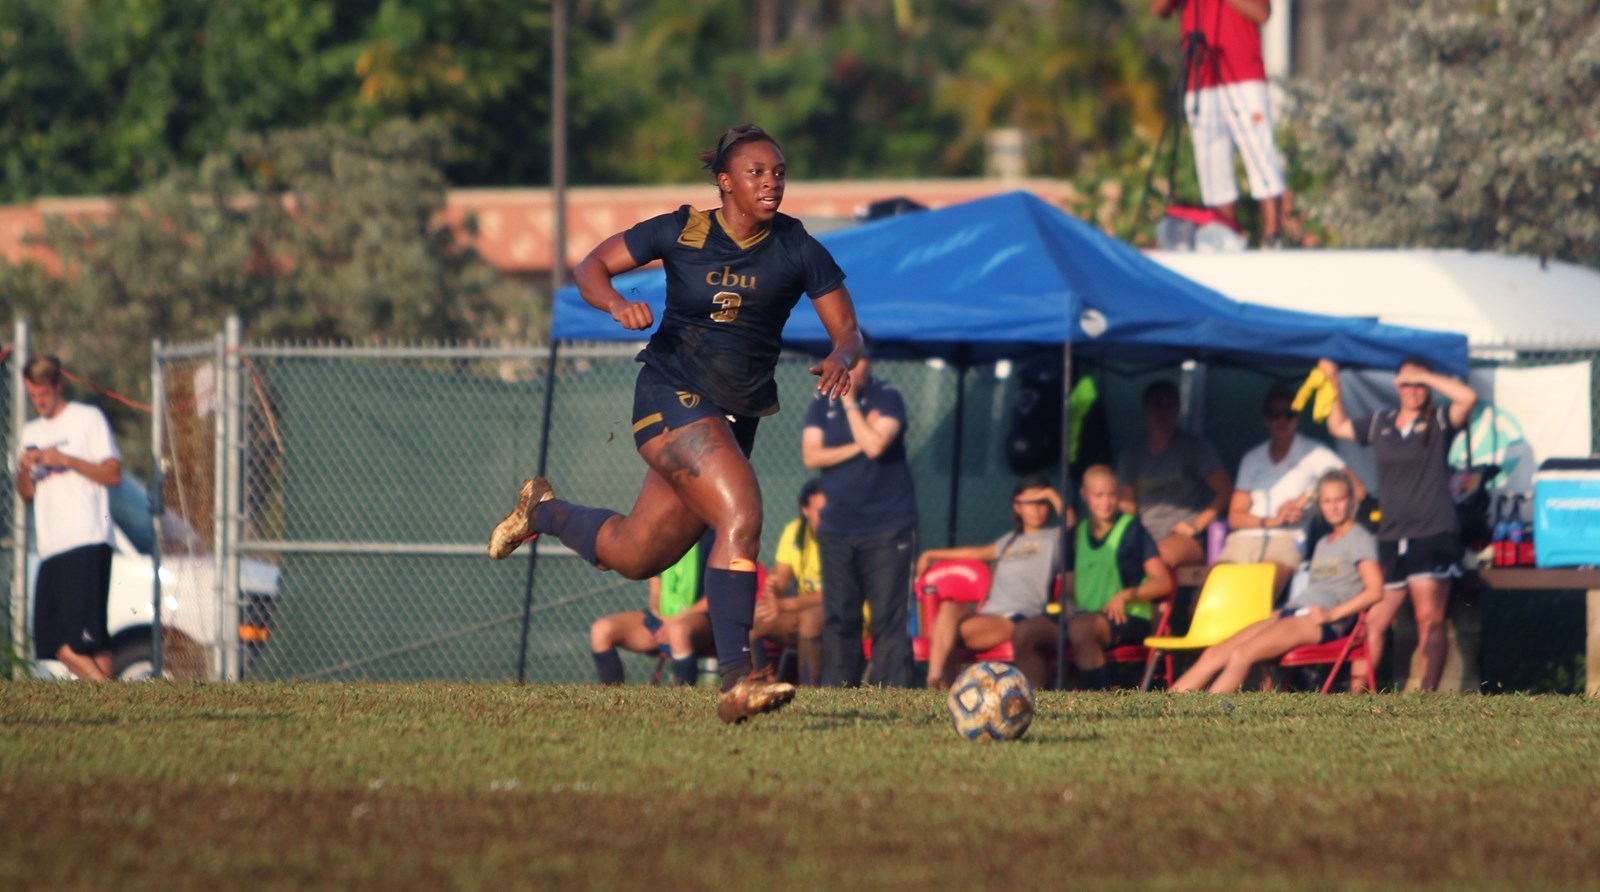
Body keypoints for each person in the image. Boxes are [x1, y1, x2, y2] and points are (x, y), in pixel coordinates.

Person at [487, 124, 864, 724]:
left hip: (733, 419)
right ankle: (741, 678)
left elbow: (847, 329)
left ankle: (543, 511)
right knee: (741, 511)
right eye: (756, 172)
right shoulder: (684, 228)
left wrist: (843, 356)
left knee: (637, 554)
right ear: (725, 183)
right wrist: (614, 303)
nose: (771, 182)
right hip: (670, 395)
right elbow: (591, 266)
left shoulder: (796, 245)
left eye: (778, 172)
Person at [1318, 356, 1476, 692]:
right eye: (1406, 383)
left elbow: (1467, 399)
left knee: (1428, 619)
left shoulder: (1439, 421)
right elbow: (1338, 427)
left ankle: (1427, 698)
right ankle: (1356, 695)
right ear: (1395, 385)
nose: (1413, 390)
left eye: (1419, 384)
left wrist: (1427, 377)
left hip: (1432, 532)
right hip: (1391, 537)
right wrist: (1333, 382)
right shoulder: (1381, 422)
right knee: (1374, 620)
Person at [1171, 470, 1384, 692]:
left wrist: (1333, 614)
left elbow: (1375, 591)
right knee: (1214, 653)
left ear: (1351, 500)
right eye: (1327, 501)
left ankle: (1202, 715)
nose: (1333, 507)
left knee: (1242, 655)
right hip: (1294, 611)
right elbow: (1316, 588)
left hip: (1323, 620)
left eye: (1339, 500)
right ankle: (1164, 709)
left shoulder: (1359, 538)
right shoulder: (1324, 542)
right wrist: (1283, 611)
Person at [802, 337, 919, 688]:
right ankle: (839, 690)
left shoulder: (889, 397)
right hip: (838, 527)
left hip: (888, 526)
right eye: (845, 361)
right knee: (840, 615)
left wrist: (851, 405)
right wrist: (859, 440)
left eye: (858, 361)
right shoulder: (821, 402)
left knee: (887, 616)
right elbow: (812, 456)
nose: (853, 368)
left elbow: (877, 445)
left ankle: (894, 691)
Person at [1012, 465, 1174, 690]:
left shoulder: (1133, 531)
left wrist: (1124, 596)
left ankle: (1098, 701)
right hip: (1083, 617)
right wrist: (1067, 605)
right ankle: (1035, 700)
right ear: (1085, 495)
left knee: (1081, 629)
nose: (1106, 502)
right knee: (1025, 631)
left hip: (1127, 617)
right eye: (1099, 496)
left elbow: (1163, 582)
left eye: (1111, 495)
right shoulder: (1076, 534)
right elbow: (1068, 588)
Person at [14, 354, 123, 682]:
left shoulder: (87, 419)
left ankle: (110, 702)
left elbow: (112, 473)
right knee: (51, 638)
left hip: (86, 538)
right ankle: (109, 694)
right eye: (32, 396)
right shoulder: (30, 430)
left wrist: (65, 459)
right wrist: (26, 471)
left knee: (86, 638)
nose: (39, 402)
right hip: (52, 545)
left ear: (58, 386)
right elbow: (25, 494)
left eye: (43, 395)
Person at [1150, 0, 1289, 247]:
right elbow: (1158, 10)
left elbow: (1262, 12)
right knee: (1213, 168)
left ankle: (1273, 236)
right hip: (1200, 76)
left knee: (1260, 155)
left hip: (1244, 74)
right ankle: (1225, 239)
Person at [1217, 384, 1366, 596]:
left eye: (1289, 414)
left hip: (1287, 540)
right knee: (1208, 596)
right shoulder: (1252, 458)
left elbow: (1357, 489)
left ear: (1298, 418)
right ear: (1265, 418)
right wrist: (1274, 520)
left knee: (1257, 594)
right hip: (1243, 540)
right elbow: (1235, 517)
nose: (1282, 421)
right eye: (1275, 414)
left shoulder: (1315, 452)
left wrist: (1309, 498)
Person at [917, 476, 1064, 690]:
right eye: (1029, 503)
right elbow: (976, 553)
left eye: (1041, 503)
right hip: (988, 615)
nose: (1036, 509)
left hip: (1018, 617)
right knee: (948, 610)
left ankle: (942, 690)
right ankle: (934, 679)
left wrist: (1050, 494)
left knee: (947, 634)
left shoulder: (1055, 537)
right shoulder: (1009, 541)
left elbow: (1070, 522)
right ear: (1017, 507)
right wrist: (930, 554)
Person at [1116, 380, 1233, 568]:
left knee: (1158, 558)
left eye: (1169, 405)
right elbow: (1126, 505)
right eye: (1157, 405)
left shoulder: (1195, 448)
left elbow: (1225, 490)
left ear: (1178, 409)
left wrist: (1196, 526)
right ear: (1146, 409)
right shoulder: (1131, 453)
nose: (1163, 412)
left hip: (1185, 537)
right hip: (1144, 535)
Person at [589, 540, 712, 686]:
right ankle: (613, 699)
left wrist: (676, 621)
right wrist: (660, 616)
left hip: (701, 622)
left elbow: (717, 597)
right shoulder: (665, 541)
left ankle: (683, 701)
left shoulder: (712, 539)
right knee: (600, 630)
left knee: (677, 631)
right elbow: (655, 593)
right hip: (662, 622)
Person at [749, 480, 826, 686]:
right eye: (820, 511)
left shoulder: (843, 536)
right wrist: (773, 589)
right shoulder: (795, 532)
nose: (826, 516)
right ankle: (761, 683)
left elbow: (833, 595)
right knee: (752, 616)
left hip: (842, 617)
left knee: (810, 618)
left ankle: (812, 691)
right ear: (806, 510)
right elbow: (781, 577)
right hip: (802, 614)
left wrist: (783, 605)